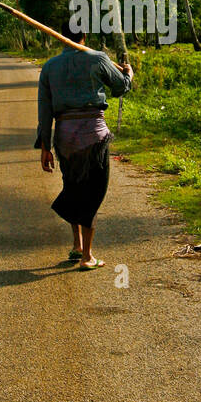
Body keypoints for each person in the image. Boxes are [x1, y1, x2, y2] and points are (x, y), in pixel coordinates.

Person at [36, 23, 133, 270]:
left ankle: (78, 245)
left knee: (73, 186)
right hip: (93, 136)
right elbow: (120, 87)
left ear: (60, 37)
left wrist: (45, 146)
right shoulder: (98, 58)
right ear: (84, 36)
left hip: (65, 137)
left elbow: (45, 111)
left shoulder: (49, 67)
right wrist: (128, 73)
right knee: (93, 193)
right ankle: (87, 257)